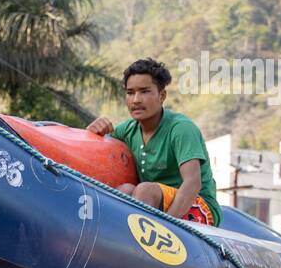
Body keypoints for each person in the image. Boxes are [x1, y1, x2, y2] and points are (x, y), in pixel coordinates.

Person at [88, 58, 222, 227]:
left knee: (145, 190)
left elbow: (193, 183)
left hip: (197, 207)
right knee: (124, 190)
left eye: (144, 91)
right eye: (130, 92)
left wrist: (167, 227)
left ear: (162, 95)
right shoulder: (128, 130)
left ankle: (141, 245)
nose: (136, 99)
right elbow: (95, 153)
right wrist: (93, 131)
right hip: (153, 204)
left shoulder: (181, 129)